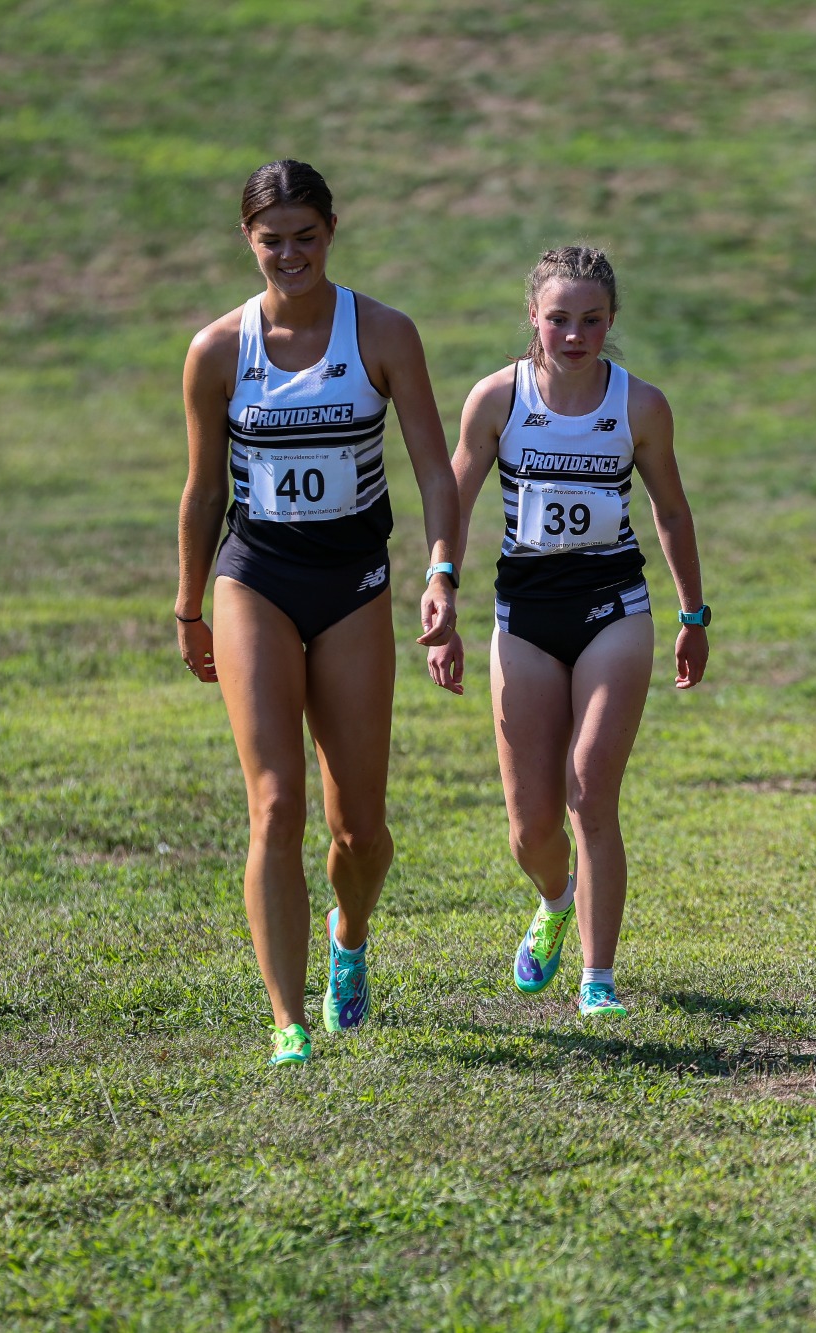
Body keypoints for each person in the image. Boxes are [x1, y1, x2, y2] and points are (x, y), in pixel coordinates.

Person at [174, 160, 462, 1066]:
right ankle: (287, 1019)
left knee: (360, 830)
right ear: (248, 243)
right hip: (254, 575)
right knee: (274, 802)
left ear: (332, 230)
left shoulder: (382, 332)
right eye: (272, 240)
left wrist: (442, 570)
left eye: (305, 235)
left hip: (354, 584)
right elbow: (199, 490)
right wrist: (190, 606)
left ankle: (350, 937)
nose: (289, 253)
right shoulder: (218, 350)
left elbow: (432, 468)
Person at [431, 246, 708, 1020]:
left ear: (611, 321)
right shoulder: (497, 399)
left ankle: (598, 978)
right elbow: (450, 498)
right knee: (531, 827)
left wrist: (693, 613)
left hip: (613, 603)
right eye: (559, 319)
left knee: (591, 791)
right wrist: (440, 581)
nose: (574, 334)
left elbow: (673, 511)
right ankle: (557, 897)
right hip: (524, 612)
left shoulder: (640, 405)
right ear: (534, 317)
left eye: (591, 320)